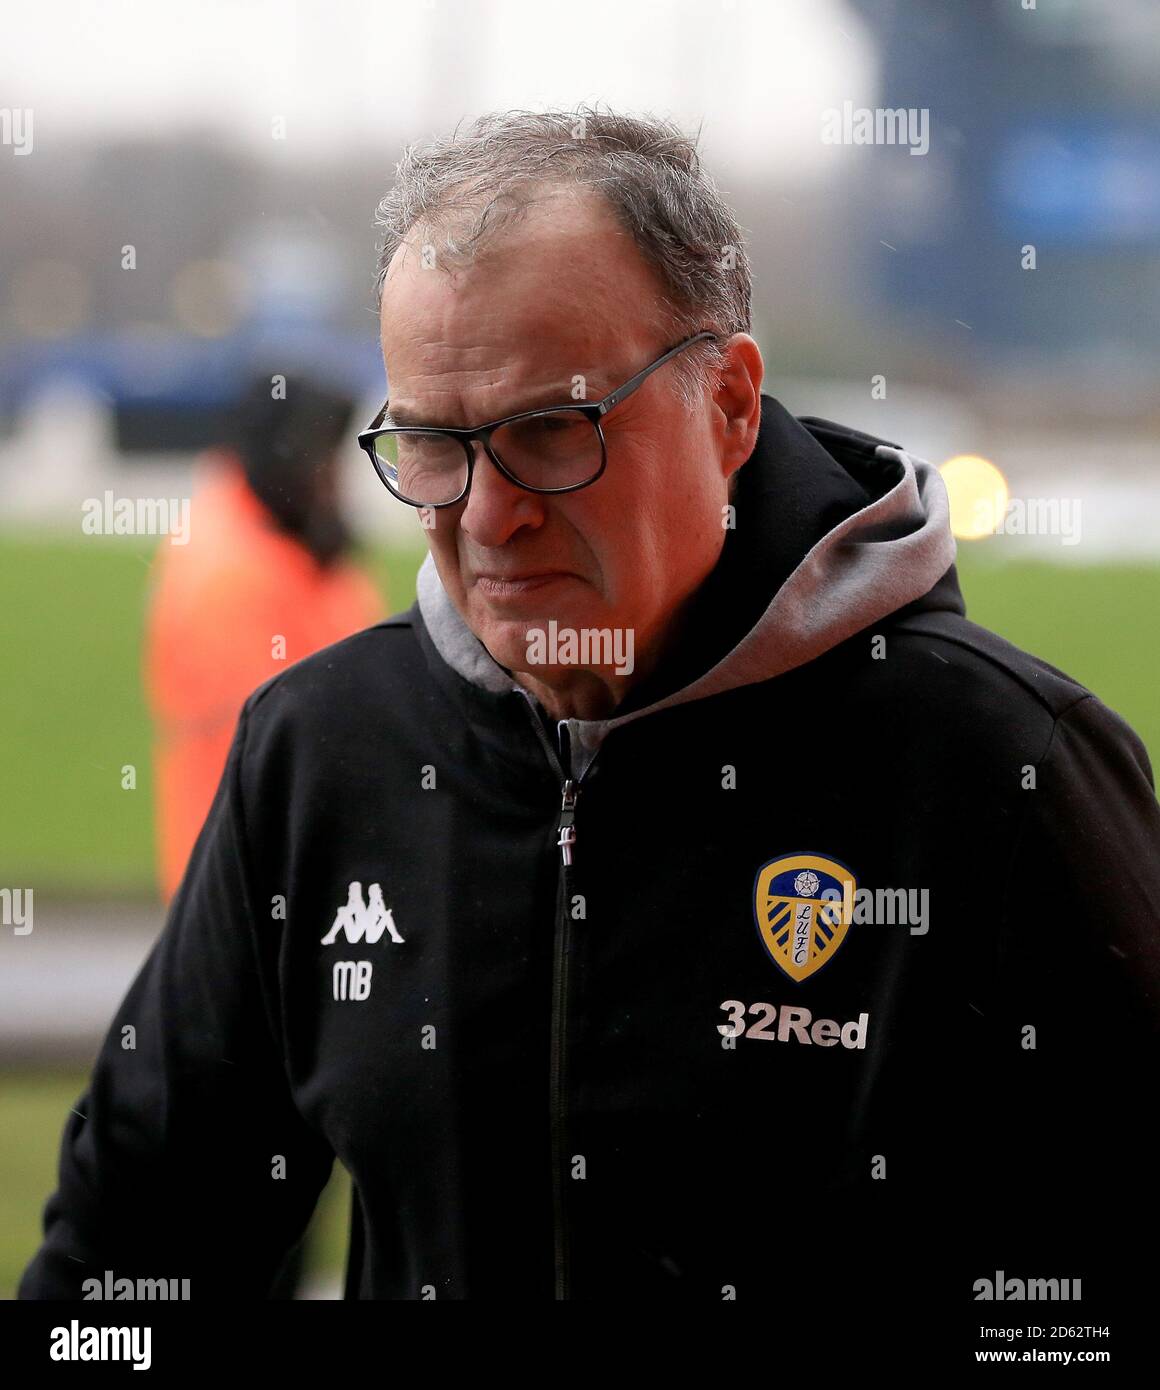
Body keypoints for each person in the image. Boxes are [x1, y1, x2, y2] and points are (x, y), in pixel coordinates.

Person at [20, 106, 1160, 1314]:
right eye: (432, 445)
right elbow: (135, 1251)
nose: (484, 514)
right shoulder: (322, 751)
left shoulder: (1001, 769)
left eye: (549, 431)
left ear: (726, 404)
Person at [144, 372, 383, 902]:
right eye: (325, 461)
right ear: (289, 462)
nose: (334, 480)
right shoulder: (232, 573)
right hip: (249, 887)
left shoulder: (288, 540)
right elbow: (289, 752)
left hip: (276, 878)